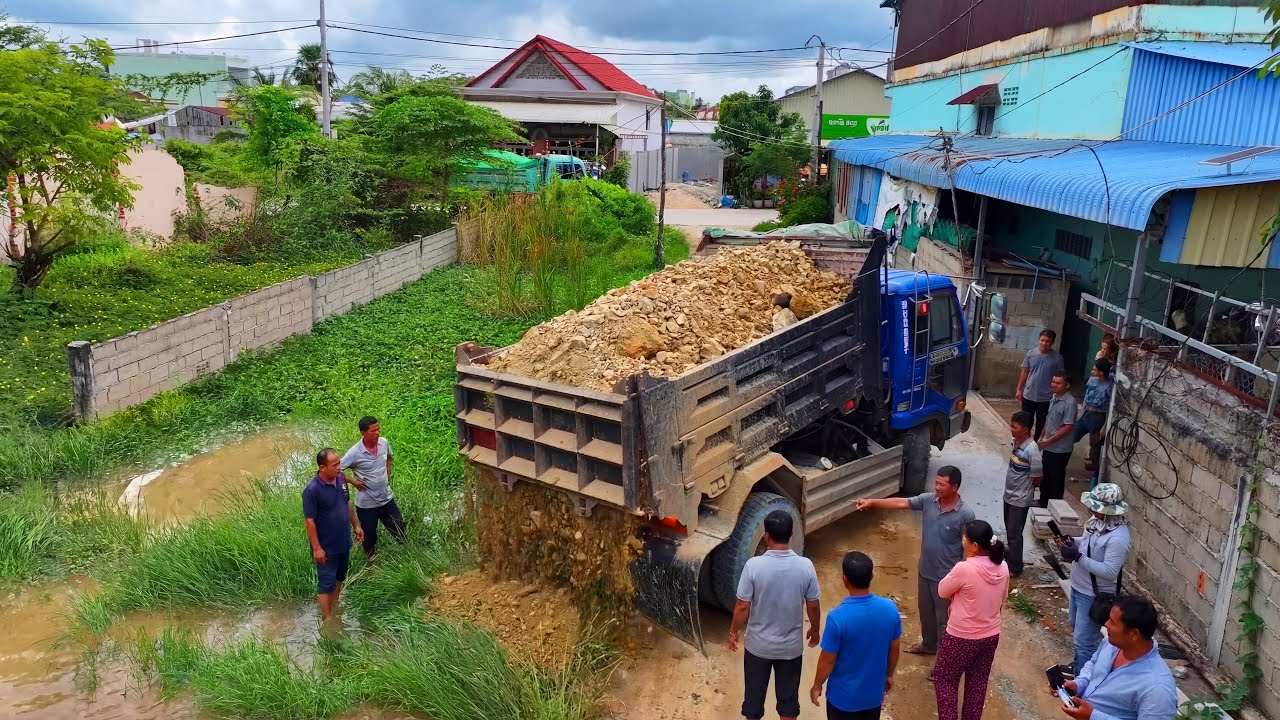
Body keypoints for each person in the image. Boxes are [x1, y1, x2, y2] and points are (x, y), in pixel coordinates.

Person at [853, 466, 975, 667]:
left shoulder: (965, 514)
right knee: (926, 613)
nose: (936, 487)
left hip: (947, 579)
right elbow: (902, 502)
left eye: (941, 484)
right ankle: (928, 646)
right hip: (925, 571)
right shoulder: (928, 501)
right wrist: (873, 502)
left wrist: (963, 579)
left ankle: (943, 667)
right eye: (936, 483)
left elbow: (969, 549)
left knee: (944, 622)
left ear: (954, 487)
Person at [729, 509, 822, 720]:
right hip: (790, 649)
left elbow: (742, 606)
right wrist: (815, 630)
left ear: (766, 535)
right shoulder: (805, 566)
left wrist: (733, 631)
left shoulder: (753, 566)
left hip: (757, 647)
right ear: (790, 535)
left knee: (753, 703)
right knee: (788, 703)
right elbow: (813, 605)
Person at [810, 552, 902, 719]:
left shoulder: (837, 617)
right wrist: (889, 675)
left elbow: (827, 659)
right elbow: (894, 648)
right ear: (872, 576)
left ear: (845, 580)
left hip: (842, 700)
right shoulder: (890, 609)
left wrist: (817, 685)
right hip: (873, 697)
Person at [1054, 596, 1178, 720]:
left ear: (1134, 634)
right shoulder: (1111, 643)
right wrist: (1078, 685)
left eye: (1112, 622)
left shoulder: (1157, 688)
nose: (1106, 624)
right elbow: (1093, 664)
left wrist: (1093, 716)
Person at [935, 520, 1010, 720]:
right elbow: (1003, 598)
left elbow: (942, 590)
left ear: (975, 546)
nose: (962, 540)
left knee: (945, 681)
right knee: (977, 686)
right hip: (990, 635)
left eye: (965, 538)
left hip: (961, 636)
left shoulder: (965, 568)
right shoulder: (1002, 566)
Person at [1055, 483, 1132, 674]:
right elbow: (1088, 542)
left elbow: (1110, 571)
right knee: (1077, 630)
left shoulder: (1118, 538)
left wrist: (1078, 557)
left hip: (1092, 594)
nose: (1091, 510)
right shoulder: (1096, 522)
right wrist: (1073, 542)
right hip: (1078, 586)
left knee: (1084, 642)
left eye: (1096, 508)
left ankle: (1083, 682)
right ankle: (1081, 666)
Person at [303, 448, 363, 622]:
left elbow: (347, 504)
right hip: (326, 547)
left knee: (339, 578)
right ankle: (328, 620)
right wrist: (317, 548)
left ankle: (335, 606)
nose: (339, 467)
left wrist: (356, 525)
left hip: (343, 542)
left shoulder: (341, 479)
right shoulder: (312, 491)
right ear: (322, 467)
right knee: (325, 585)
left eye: (339, 463)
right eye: (335, 464)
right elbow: (310, 521)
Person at [341, 416, 406, 561]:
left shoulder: (384, 443)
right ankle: (370, 559)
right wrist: (353, 481)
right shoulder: (354, 452)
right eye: (373, 430)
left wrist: (388, 473)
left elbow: (389, 457)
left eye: (378, 429)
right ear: (363, 433)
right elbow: (336, 470)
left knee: (399, 526)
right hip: (367, 503)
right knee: (369, 534)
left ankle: (407, 553)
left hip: (386, 498)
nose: (377, 433)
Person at [1003, 411, 1042, 576]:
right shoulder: (1015, 442)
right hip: (1009, 495)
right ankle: (1010, 558)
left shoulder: (1032, 451)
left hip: (1020, 499)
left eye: (1014, 427)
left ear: (1025, 429)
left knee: (1014, 533)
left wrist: (1026, 491)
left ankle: (1015, 567)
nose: (1011, 429)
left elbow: (1037, 478)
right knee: (1010, 530)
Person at [1016, 329, 1066, 441]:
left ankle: (1036, 445)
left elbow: (1060, 377)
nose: (1044, 343)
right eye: (1042, 340)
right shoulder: (1031, 354)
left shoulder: (1057, 359)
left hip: (1045, 398)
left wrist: (1058, 395)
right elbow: (1024, 372)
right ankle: (1024, 442)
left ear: (1052, 343)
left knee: (1042, 423)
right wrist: (1019, 389)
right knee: (1025, 422)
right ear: (1039, 340)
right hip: (1028, 395)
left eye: (1047, 341)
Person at [1038, 372, 1077, 508]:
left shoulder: (1069, 403)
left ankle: (1055, 507)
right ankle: (1043, 502)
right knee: (1046, 477)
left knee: (1056, 479)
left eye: (1058, 383)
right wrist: (1042, 437)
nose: (1054, 385)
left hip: (1060, 449)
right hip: (1048, 446)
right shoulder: (1054, 397)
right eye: (1053, 382)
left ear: (1067, 385)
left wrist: (1049, 441)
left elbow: (1068, 427)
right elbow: (1049, 420)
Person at [1074, 359, 1114, 488]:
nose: (1092, 371)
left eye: (1095, 370)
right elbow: (1086, 398)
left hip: (1099, 417)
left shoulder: (1109, 386)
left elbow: (1110, 409)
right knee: (1071, 437)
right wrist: (1080, 415)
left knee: (1095, 449)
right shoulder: (1092, 380)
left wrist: (1104, 427)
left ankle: (1094, 477)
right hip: (1086, 413)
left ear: (1102, 372)